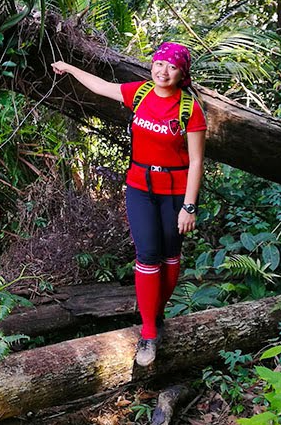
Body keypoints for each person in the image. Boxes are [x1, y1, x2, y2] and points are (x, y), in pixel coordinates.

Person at [51, 42, 206, 367]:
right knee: (147, 255)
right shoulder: (140, 93)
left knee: (170, 257)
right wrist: (70, 68)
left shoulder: (189, 109)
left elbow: (195, 161)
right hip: (139, 186)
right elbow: (103, 86)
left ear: (182, 73)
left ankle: (156, 315)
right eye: (159, 63)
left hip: (176, 192)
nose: (163, 71)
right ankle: (148, 332)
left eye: (171, 66)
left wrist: (188, 207)